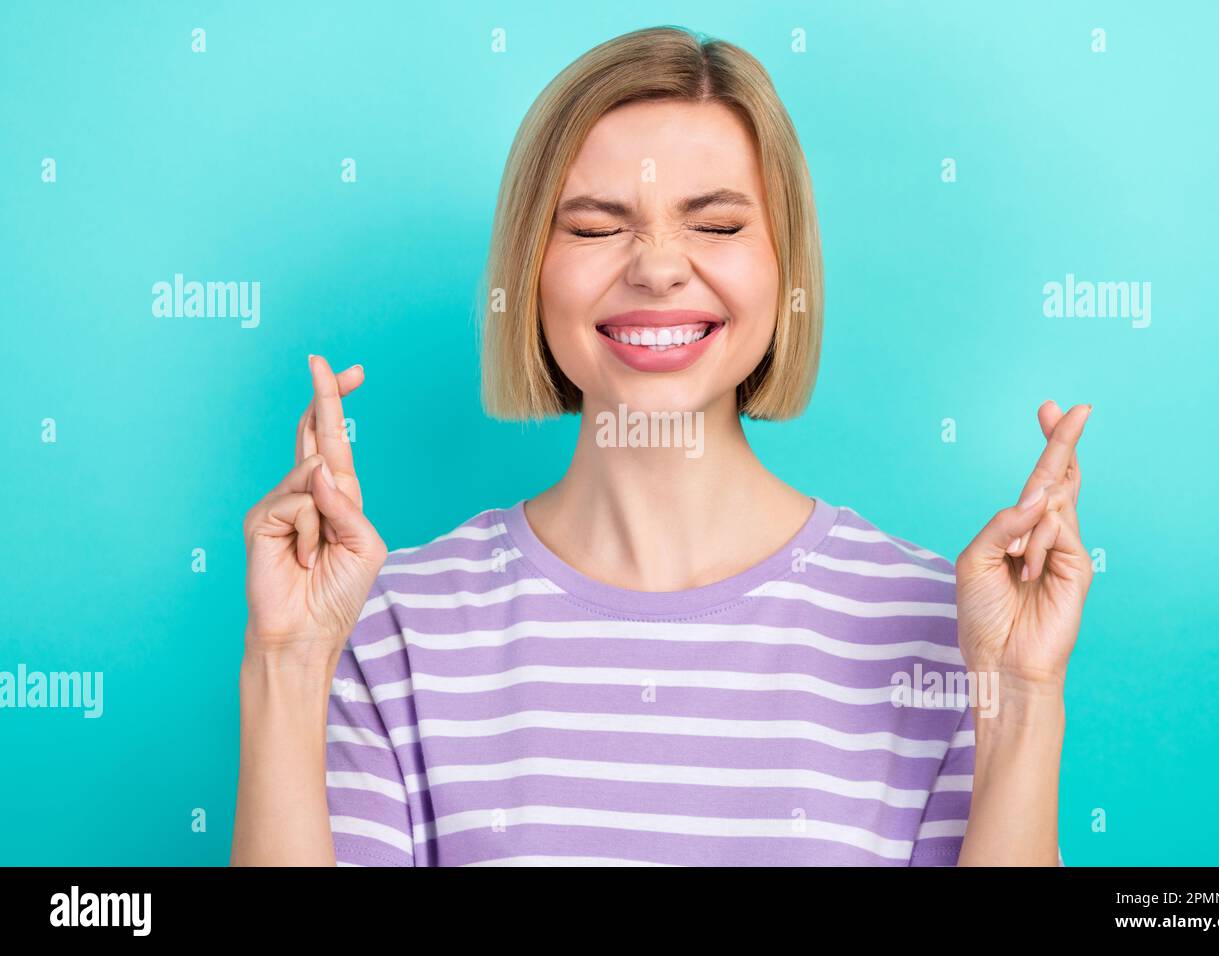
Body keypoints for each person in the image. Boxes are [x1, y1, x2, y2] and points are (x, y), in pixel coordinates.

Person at [231, 25, 1091, 866]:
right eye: (598, 226)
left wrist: (1019, 700)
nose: (657, 267)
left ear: (785, 269)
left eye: (716, 225)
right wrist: (288, 665)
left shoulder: (941, 632)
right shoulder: (395, 623)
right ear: (529, 271)